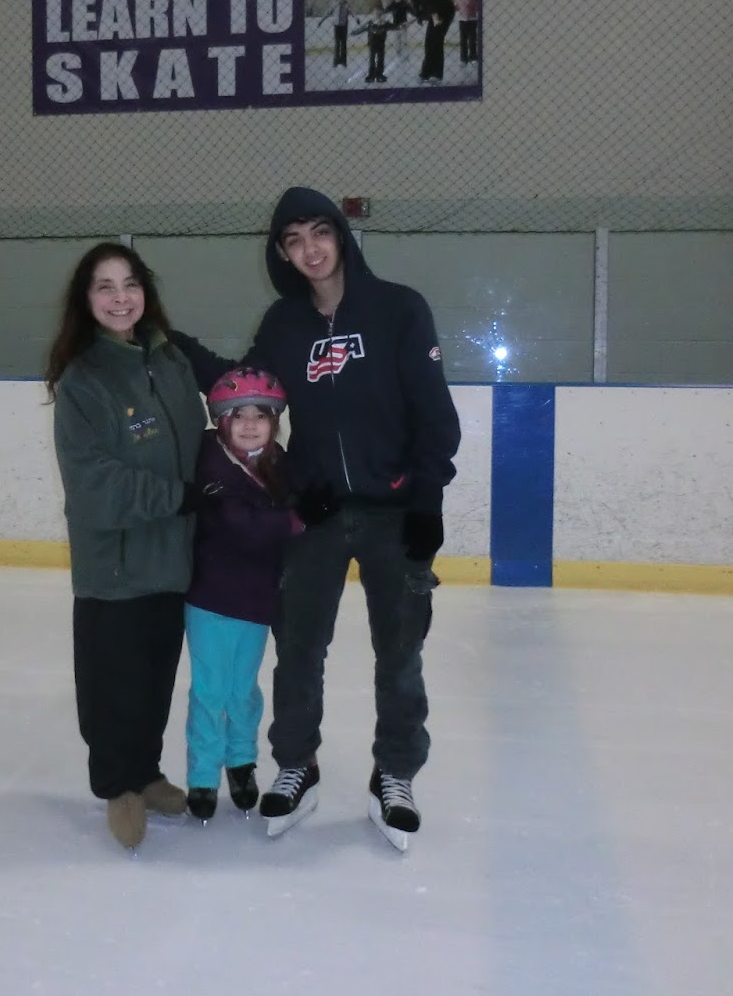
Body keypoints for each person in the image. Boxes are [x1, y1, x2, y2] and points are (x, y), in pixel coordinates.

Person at [172, 187, 461, 851]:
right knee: (299, 647)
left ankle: (394, 773)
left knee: (400, 651)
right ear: (281, 253)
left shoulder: (399, 309)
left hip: (395, 510)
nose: (310, 249)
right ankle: (296, 764)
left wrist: (427, 499)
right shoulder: (284, 324)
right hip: (316, 511)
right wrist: (179, 346)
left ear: (340, 235)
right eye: (293, 240)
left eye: (319, 232)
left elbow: (433, 411)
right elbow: (246, 386)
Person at [47, 242, 208, 850]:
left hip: (172, 555)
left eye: (130, 283)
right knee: (112, 684)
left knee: (155, 676)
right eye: (105, 286)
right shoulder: (83, 380)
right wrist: (179, 496)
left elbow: (196, 443)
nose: (120, 298)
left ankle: (145, 772)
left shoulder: (170, 360)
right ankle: (118, 786)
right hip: (114, 564)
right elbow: (93, 484)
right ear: (86, 300)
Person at [182, 367, 300, 823]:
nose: (250, 425)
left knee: (242, 688)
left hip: (256, 600)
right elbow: (244, 526)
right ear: (221, 421)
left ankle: (241, 761)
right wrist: (298, 519)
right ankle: (203, 776)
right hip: (211, 598)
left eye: (260, 416)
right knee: (210, 689)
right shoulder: (211, 466)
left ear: (274, 422)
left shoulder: (280, 464)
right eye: (239, 416)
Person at [401, 0, 456, 83]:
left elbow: (432, 4)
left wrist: (436, 18)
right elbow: (423, 12)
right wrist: (410, 22)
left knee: (435, 43)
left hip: (444, 13)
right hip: (439, 14)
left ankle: (433, 74)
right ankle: (427, 73)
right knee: (430, 42)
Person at [456, 0, 480, 65]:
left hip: (472, 20)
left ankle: (473, 57)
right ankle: (463, 59)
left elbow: (477, 7)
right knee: (463, 41)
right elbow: (456, 7)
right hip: (462, 21)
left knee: (472, 40)